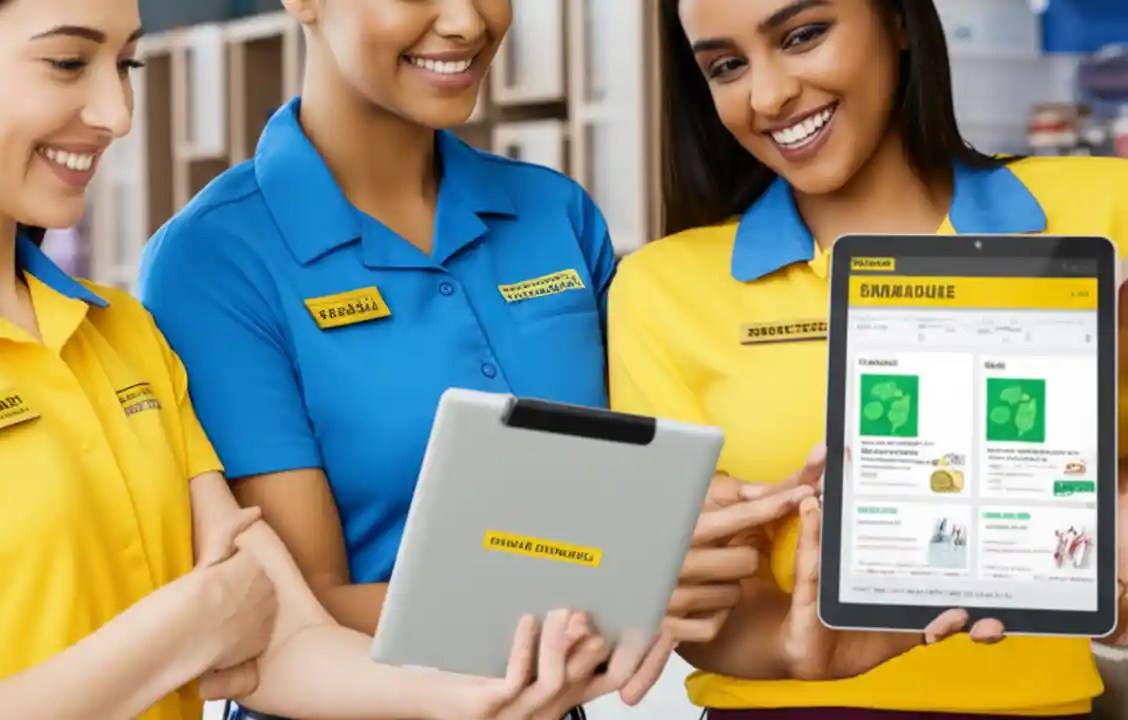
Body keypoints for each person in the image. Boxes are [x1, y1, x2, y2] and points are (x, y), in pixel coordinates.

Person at [0, 1, 645, 719]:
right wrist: (180, 632)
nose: (117, 112)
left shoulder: (120, 334)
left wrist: (475, 698)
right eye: (66, 63)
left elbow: (281, 636)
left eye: (126, 65)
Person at [138, 0, 828, 718]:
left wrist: (722, 515)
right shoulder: (214, 260)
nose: (467, 21)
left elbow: (625, 496)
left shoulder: (554, 213)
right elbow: (296, 606)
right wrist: (619, 586)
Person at [607, 0, 1128, 717]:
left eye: (802, 36)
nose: (767, 96)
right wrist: (802, 652)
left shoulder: (1106, 211)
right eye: (726, 66)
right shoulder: (661, 289)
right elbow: (700, 597)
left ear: (900, 20)